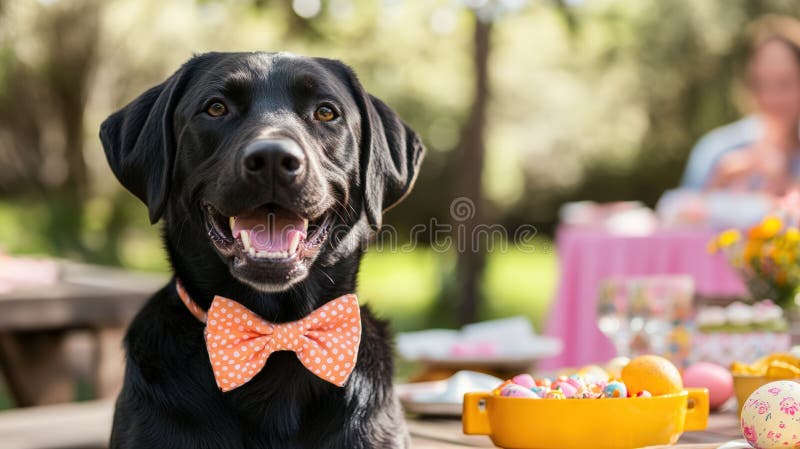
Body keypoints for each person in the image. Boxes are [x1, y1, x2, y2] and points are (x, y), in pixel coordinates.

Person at [681, 15, 800, 194]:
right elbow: (674, 216)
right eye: (758, 84)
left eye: (785, 83)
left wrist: (786, 185)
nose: (770, 98)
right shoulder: (716, 150)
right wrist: (716, 184)